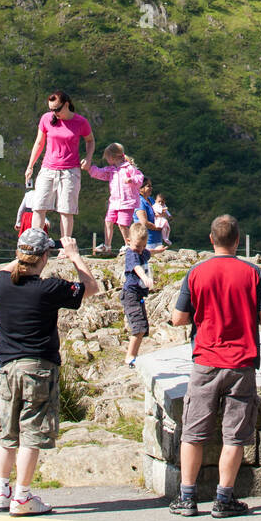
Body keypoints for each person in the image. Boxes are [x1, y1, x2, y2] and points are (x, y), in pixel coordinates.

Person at [169, 214, 261, 519]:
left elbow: (179, 318)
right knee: (234, 435)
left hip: (205, 359)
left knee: (193, 431)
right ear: (238, 241)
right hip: (241, 363)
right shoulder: (253, 273)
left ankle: (187, 497)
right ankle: (223, 499)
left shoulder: (196, 273)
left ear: (211, 239)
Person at [0, 229, 98, 515]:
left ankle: (3, 490)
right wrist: (75, 257)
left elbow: (9, 269)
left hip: (8, 368)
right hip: (38, 368)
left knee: (8, 433)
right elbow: (90, 287)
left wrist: (23, 255)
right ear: (45, 257)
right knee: (31, 435)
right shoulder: (49, 289)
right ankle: (23, 497)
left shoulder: (1, 282)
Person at [25, 91, 94, 245]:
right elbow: (39, 143)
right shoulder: (46, 119)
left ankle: (65, 246)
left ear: (67, 105)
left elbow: (90, 140)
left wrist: (88, 158)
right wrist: (30, 165)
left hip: (70, 171)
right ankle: (36, 243)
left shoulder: (80, 122)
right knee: (39, 206)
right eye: (51, 109)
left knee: (66, 210)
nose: (54, 113)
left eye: (57, 109)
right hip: (48, 168)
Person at [85, 143, 143, 254]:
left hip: (127, 202)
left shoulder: (129, 168)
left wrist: (132, 179)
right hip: (114, 202)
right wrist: (90, 168)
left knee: (123, 224)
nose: (106, 160)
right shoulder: (111, 170)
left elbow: (140, 177)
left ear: (112, 157)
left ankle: (128, 245)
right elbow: (100, 173)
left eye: (107, 157)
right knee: (108, 221)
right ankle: (107, 246)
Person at [122, 221, 151, 367]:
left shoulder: (142, 252)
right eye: (138, 246)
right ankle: (130, 357)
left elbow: (149, 252)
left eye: (143, 246)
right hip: (131, 295)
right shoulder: (131, 254)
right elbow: (137, 267)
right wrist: (145, 278)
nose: (140, 250)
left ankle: (134, 355)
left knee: (143, 328)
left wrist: (159, 249)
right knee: (138, 327)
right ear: (128, 241)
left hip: (138, 296)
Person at [134, 178, 165, 253]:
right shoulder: (139, 201)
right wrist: (157, 228)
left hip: (157, 239)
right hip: (146, 241)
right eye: (148, 186)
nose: (151, 188)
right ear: (141, 188)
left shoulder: (151, 200)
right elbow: (144, 222)